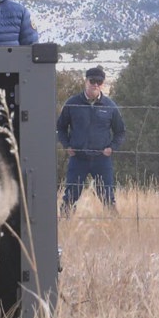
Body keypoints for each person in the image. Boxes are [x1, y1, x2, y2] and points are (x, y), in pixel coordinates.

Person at [56, 66, 126, 215]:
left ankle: (115, 227)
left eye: (99, 82)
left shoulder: (110, 106)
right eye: (92, 81)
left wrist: (112, 148)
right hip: (78, 159)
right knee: (70, 196)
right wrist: (67, 145)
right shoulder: (72, 103)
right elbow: (60, 128)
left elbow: (120, 132)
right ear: (86, 81)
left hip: (101, 159)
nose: (95, 84)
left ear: (103, 84)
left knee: (107, 197)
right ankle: (64, 225)